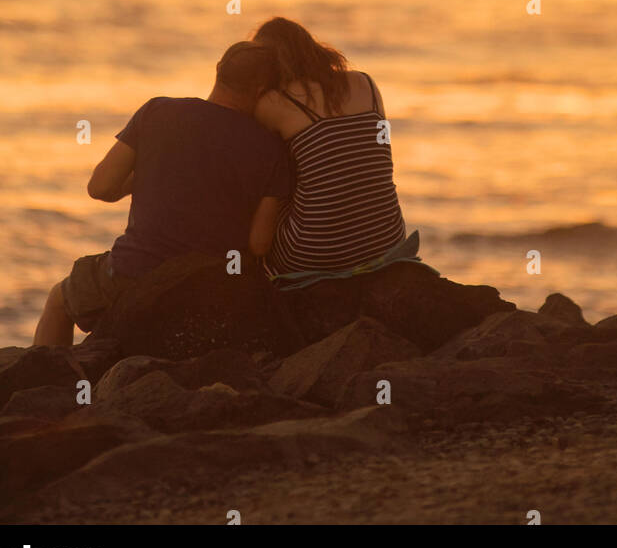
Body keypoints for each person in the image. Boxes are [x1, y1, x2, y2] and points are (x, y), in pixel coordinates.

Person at [33, 41, 291, 346]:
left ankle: (49, 385)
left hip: (135, 273)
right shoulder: (272, 149)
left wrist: (146, 174)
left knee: (59, 300)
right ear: (263, 91)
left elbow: (101, 188)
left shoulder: (158, 111)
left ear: (219, 71)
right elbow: (259, 244)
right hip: (212, 284)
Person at [251, 18, 411, 282]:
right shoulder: (366, 85)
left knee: (270, 184)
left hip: (312, 254)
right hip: (387, 242)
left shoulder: (274, 102)